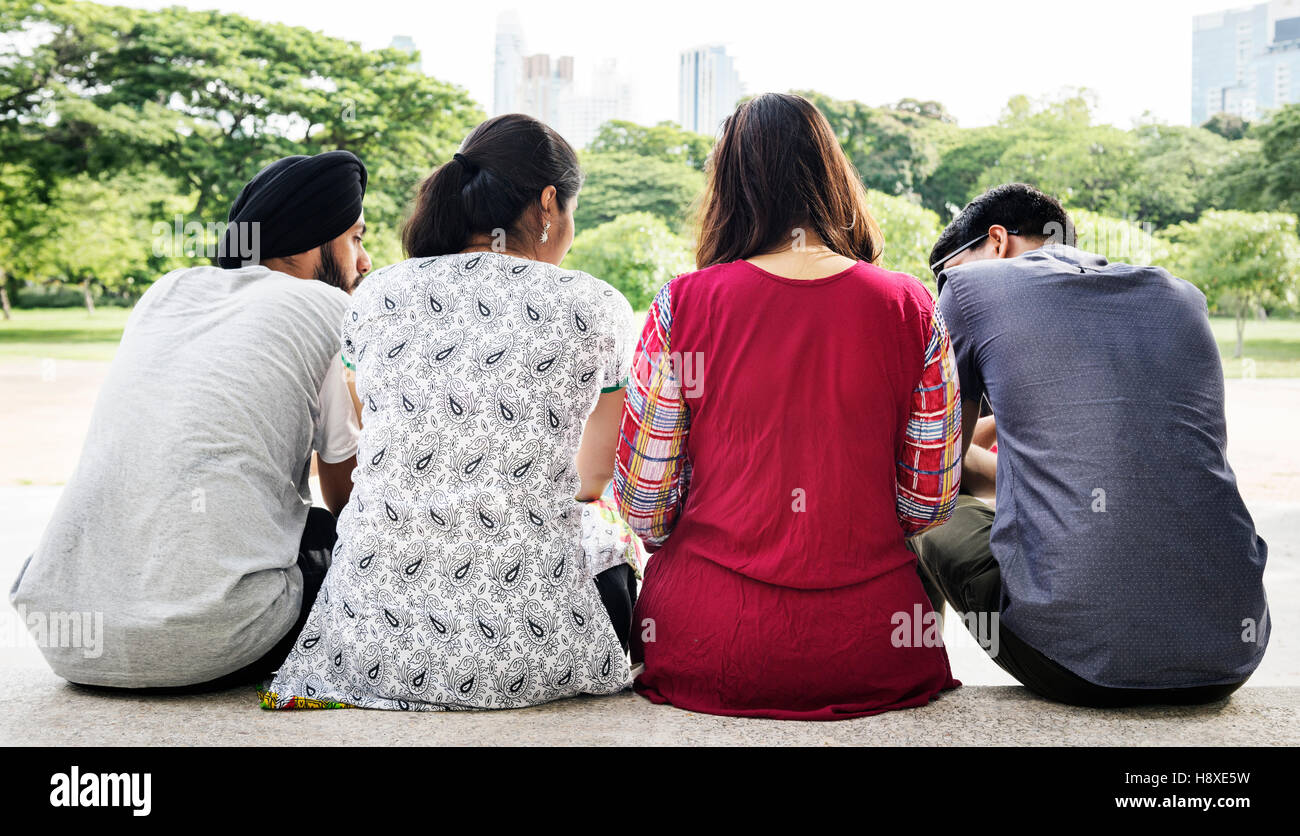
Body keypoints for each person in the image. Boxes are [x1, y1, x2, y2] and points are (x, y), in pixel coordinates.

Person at [260, 114, 642, 712]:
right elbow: (593, 480)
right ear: (549, 203)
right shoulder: (596, 304)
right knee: (614, 549)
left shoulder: (379, 294)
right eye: (572, 210)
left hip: (370, 647)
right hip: (534, 657)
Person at [613, 93, 962, 721]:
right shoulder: (910, 306)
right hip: (875, 643)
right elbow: (928, 503)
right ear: (835, 178)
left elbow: (645, 503)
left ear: (728, 187)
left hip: (707, 640)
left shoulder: (683, 305)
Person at [9, 150, 371, 691]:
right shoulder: (327, 308)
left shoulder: (167, 292)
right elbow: (347, 498)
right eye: (356, 239)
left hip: (66, 641)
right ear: (310, 237)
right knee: (345, 541)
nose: (364, 262)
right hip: (216, 642)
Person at [913, 182, 1270, 707]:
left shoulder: (971, 289)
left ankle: (913, 675)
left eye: (945, 270)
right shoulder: (1181, 297)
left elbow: (938, 475)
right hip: (1229, 653)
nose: (942, 289)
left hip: (1075, 662)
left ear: (997, 242)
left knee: (917, 508)